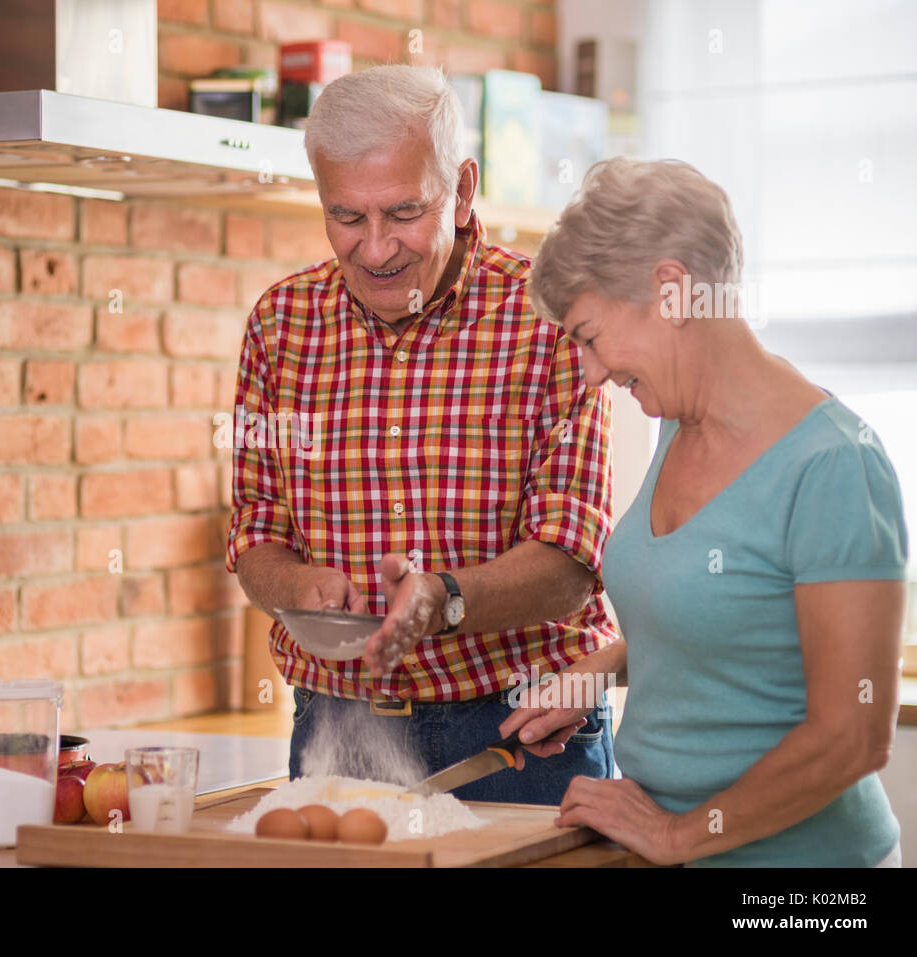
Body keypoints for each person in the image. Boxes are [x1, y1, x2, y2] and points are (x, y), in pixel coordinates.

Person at [225, 65, 618, 804]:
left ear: (463, 190)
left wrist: (443, 599)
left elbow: (571, 563)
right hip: (336, 730)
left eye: (404, 212)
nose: (375, 250)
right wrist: (298, 587)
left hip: (523, 733)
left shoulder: (550, 320)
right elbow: (254, 536)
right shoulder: (280, 326)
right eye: (346, 216)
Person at [502, 156, 907, 866]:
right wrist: (603, 664)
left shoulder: (835, 465)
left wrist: (679, 835)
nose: (592, 372)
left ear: (670, 291)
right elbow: (734, 616)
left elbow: (855, 731)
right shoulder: (674, 424)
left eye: (591, 336)